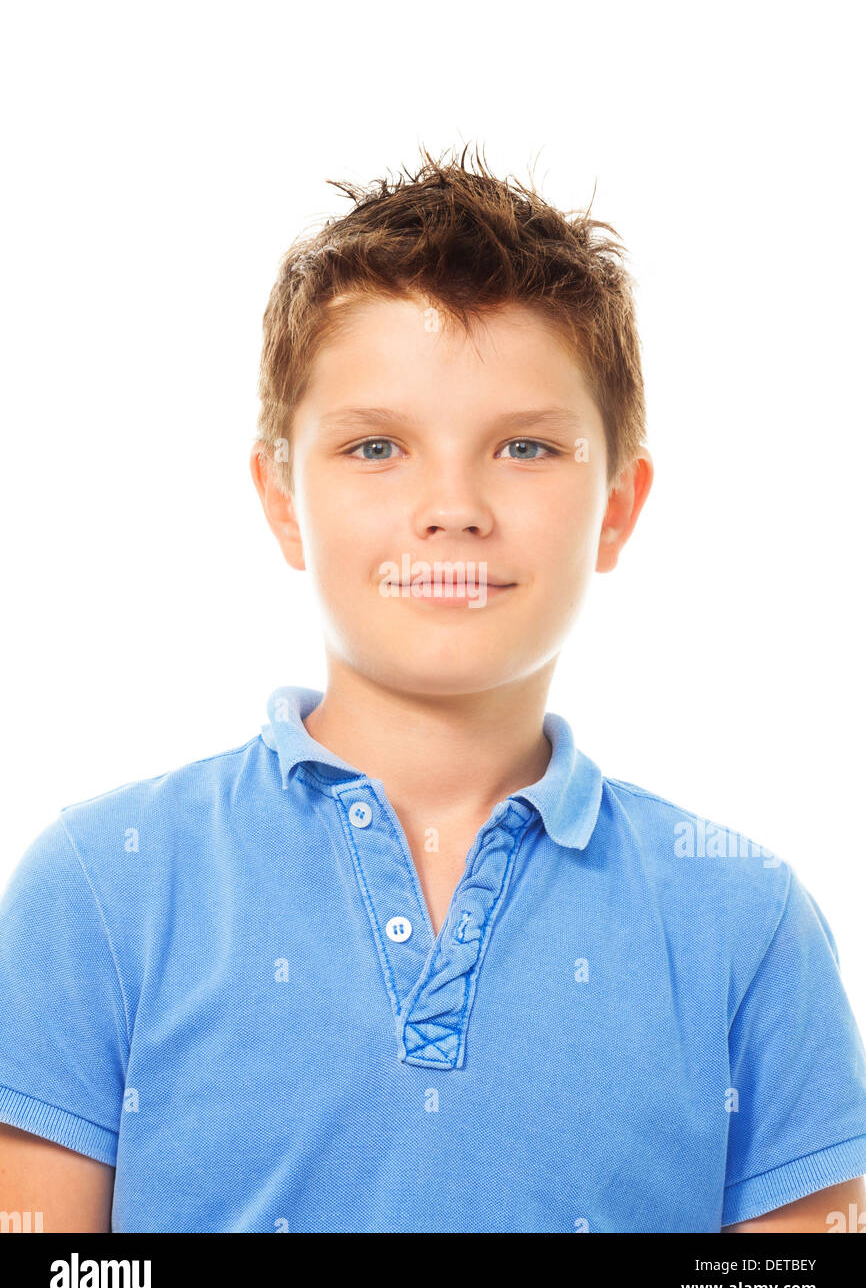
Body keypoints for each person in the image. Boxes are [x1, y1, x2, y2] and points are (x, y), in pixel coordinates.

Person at [2, 145, 866, 1233]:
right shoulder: (99, 890)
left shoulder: (747, 924)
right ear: (280, 497)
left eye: (522, 446)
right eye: (375, 447)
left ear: (614, 505)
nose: (450, 506)